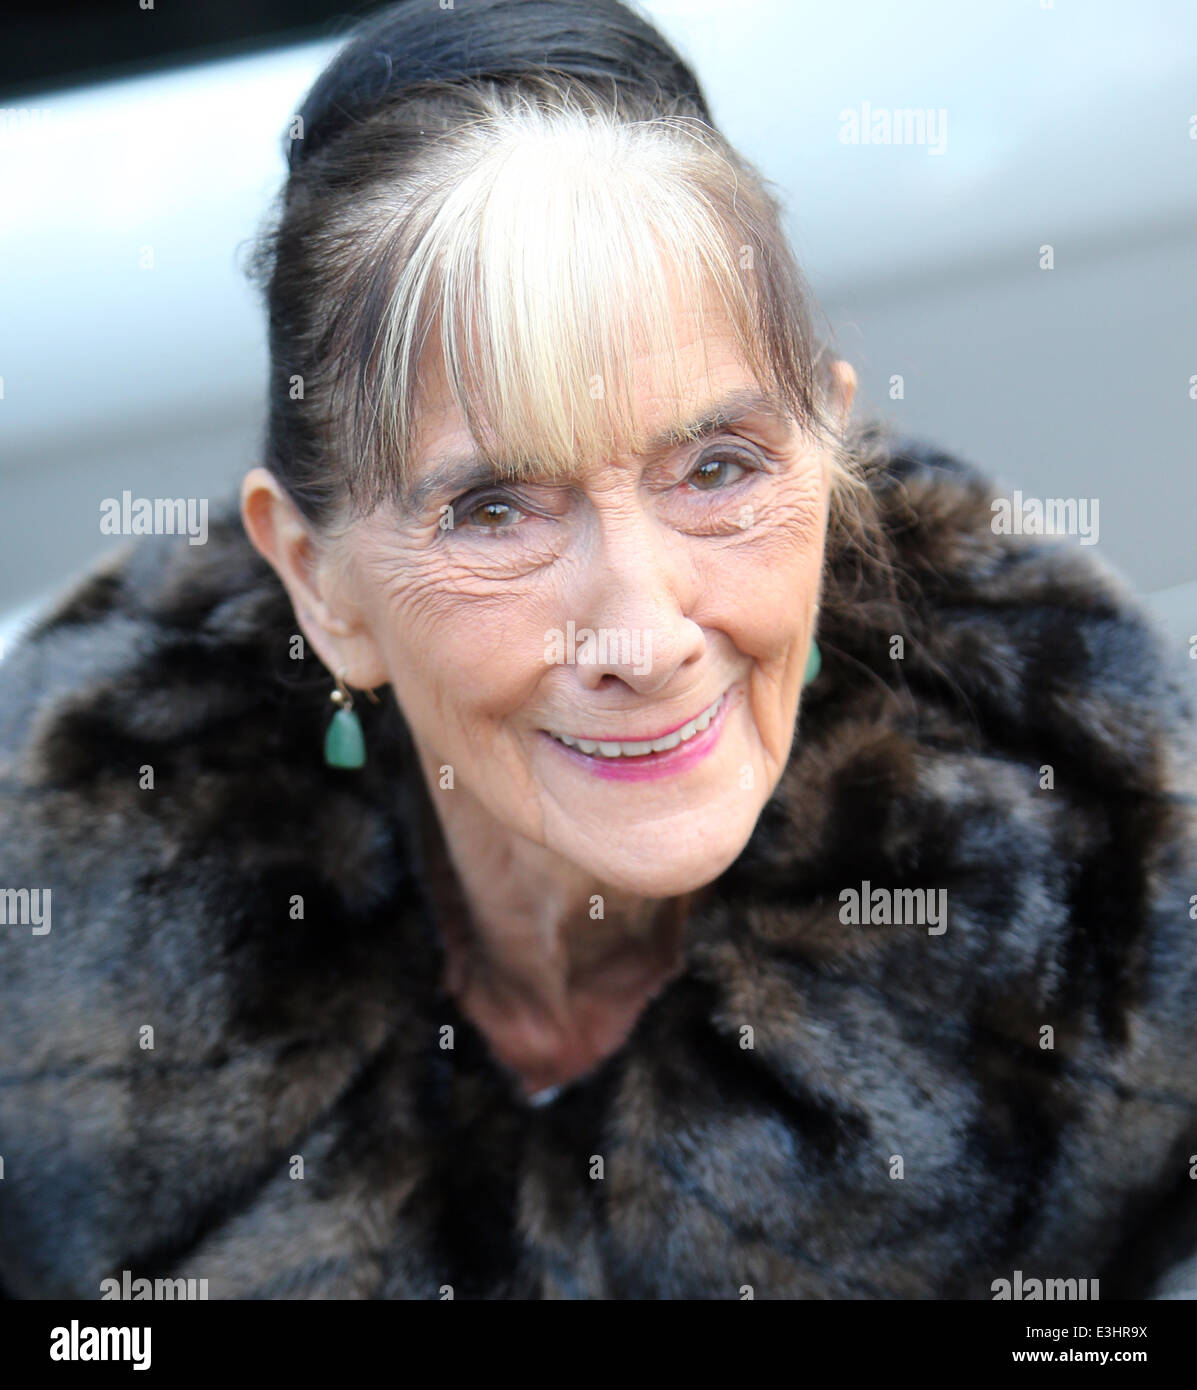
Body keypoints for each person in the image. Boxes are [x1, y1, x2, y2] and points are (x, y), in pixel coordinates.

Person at [1, 0, 1194, 1300]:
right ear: (320, 580)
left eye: (718, 468)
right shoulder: (62, 990)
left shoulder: (1119, 964)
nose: (642, 634)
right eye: (493, 508)